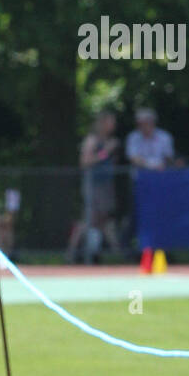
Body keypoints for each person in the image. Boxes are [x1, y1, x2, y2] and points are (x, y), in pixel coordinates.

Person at [67, 109, 121, 262]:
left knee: (103, 219)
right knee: (89, 218)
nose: (114, 125)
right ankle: (71, 252)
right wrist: (106, 152)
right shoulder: (92, 140)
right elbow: (85, 162)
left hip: (106, 184)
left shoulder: (109, 140)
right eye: (111, 121)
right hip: (93, 185)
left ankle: (114, 254)